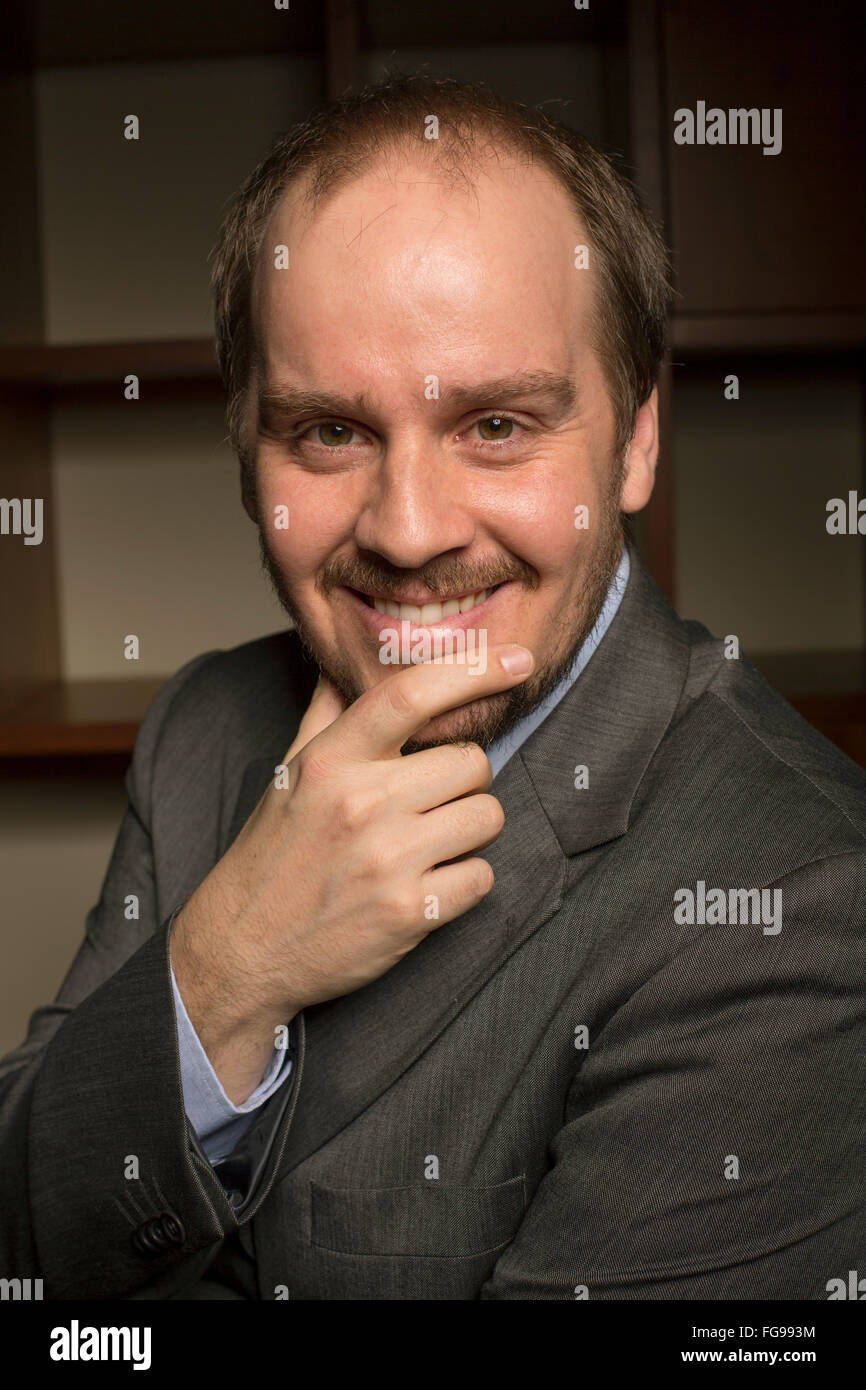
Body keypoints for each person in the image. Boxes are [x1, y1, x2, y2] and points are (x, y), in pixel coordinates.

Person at [1, 73, 863, 1301]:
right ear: (247, 454)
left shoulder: (800, 903)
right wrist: (225, 972)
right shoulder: (201, 727)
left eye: (497, 425)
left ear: (634, 443)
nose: (407, 534)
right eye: (328, 432)